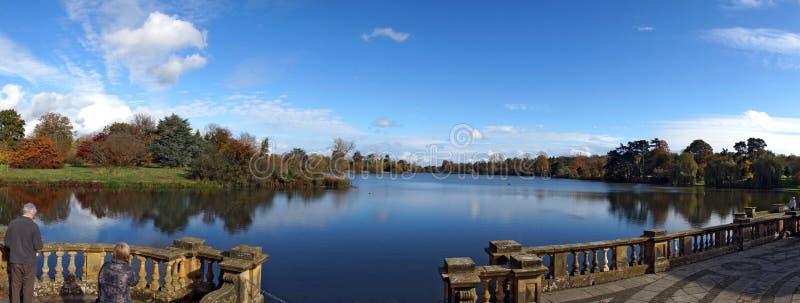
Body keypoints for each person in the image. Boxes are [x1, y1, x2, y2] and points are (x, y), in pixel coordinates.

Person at [4, 203, 44, 303]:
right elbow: (39, 246)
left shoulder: (13, 223)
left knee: (15, 287)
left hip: (15, 261)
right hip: (29, 262)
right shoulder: (34, 226)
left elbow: (7, 243)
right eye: (34, 214)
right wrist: (40, 240)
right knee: (28, 288)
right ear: (32, 213)